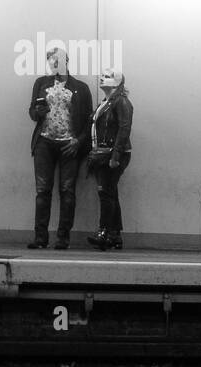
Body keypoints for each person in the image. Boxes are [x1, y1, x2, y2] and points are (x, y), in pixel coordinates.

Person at [27, 46, 92, 250]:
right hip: (44, 142)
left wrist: (79, 141)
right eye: (50, 60)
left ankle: (63, 238)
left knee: (67, 191)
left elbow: (89, 120)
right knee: (42, 190)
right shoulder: (40, 83)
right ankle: (40, 238)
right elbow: (31, 113)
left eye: (57, 60)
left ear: (66, 61)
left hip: (69, 144)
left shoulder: (81, 88)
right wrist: (38, 111)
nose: (54, 63)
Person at [86, 69, 133, 251]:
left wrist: (115, 156)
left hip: (112, 153)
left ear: (117, 82)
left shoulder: (121, 102)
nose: (102, 78)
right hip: (104, 152)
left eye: (107, 76)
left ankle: (104, 231)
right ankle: (114, 235)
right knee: (109, 193)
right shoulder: (107, 102)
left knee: (106, 193)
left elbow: (124, 128)